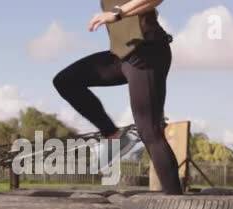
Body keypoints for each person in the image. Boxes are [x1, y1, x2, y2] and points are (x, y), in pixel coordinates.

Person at [53, 0, 182, 194]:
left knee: (149, 130)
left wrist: (117, 13)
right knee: (66, 81)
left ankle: (177, 202)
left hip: (147, 51)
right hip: (121, 57)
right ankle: (111, 133)